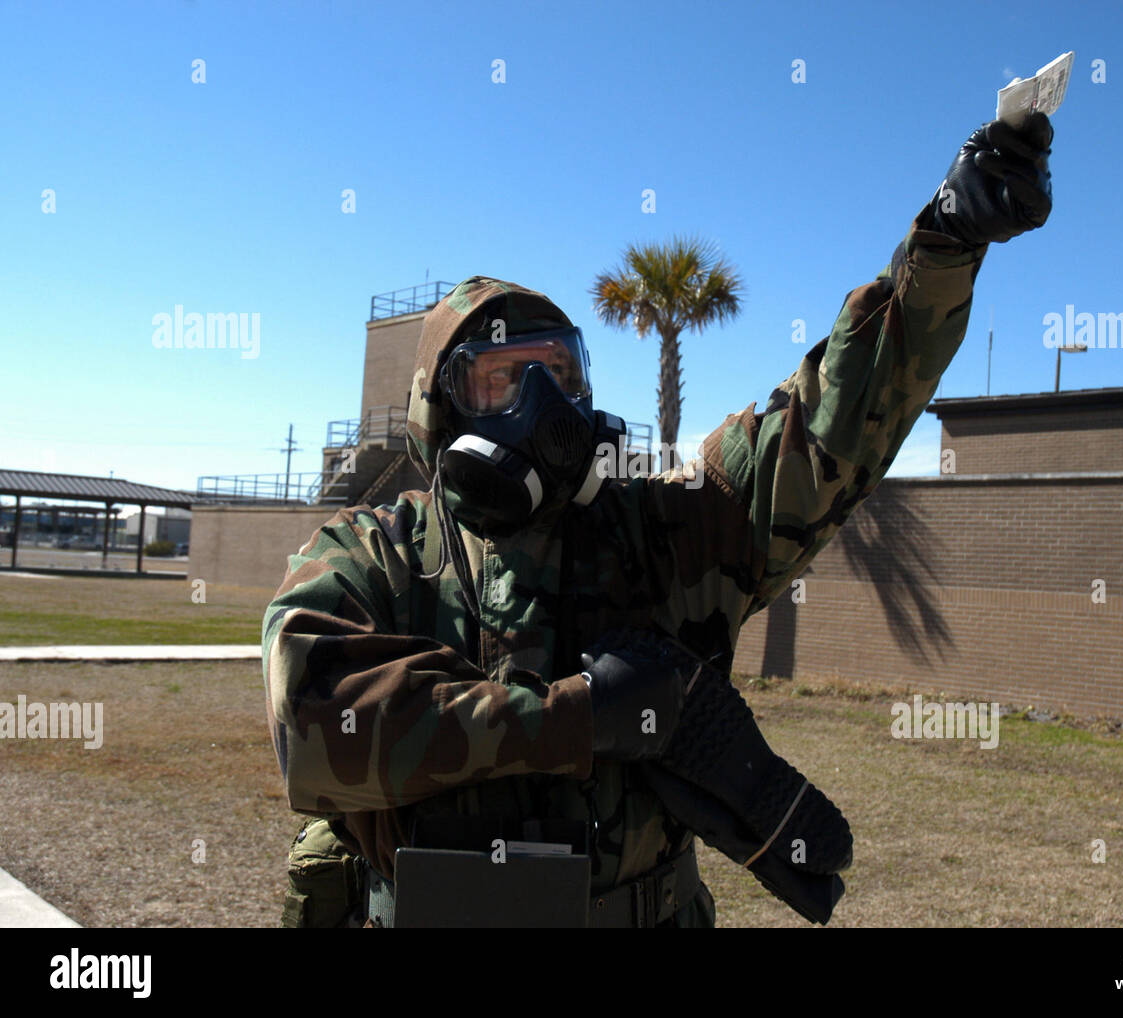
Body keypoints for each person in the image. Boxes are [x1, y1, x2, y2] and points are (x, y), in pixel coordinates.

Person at [261, 113, 1055, 927]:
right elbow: (320, 728)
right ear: (440, 405)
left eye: (557, 375)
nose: (540, 407)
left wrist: (946, 242)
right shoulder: (373, 555)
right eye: (502, 380)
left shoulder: (666, 529)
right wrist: (584, 716)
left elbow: (827, 425)